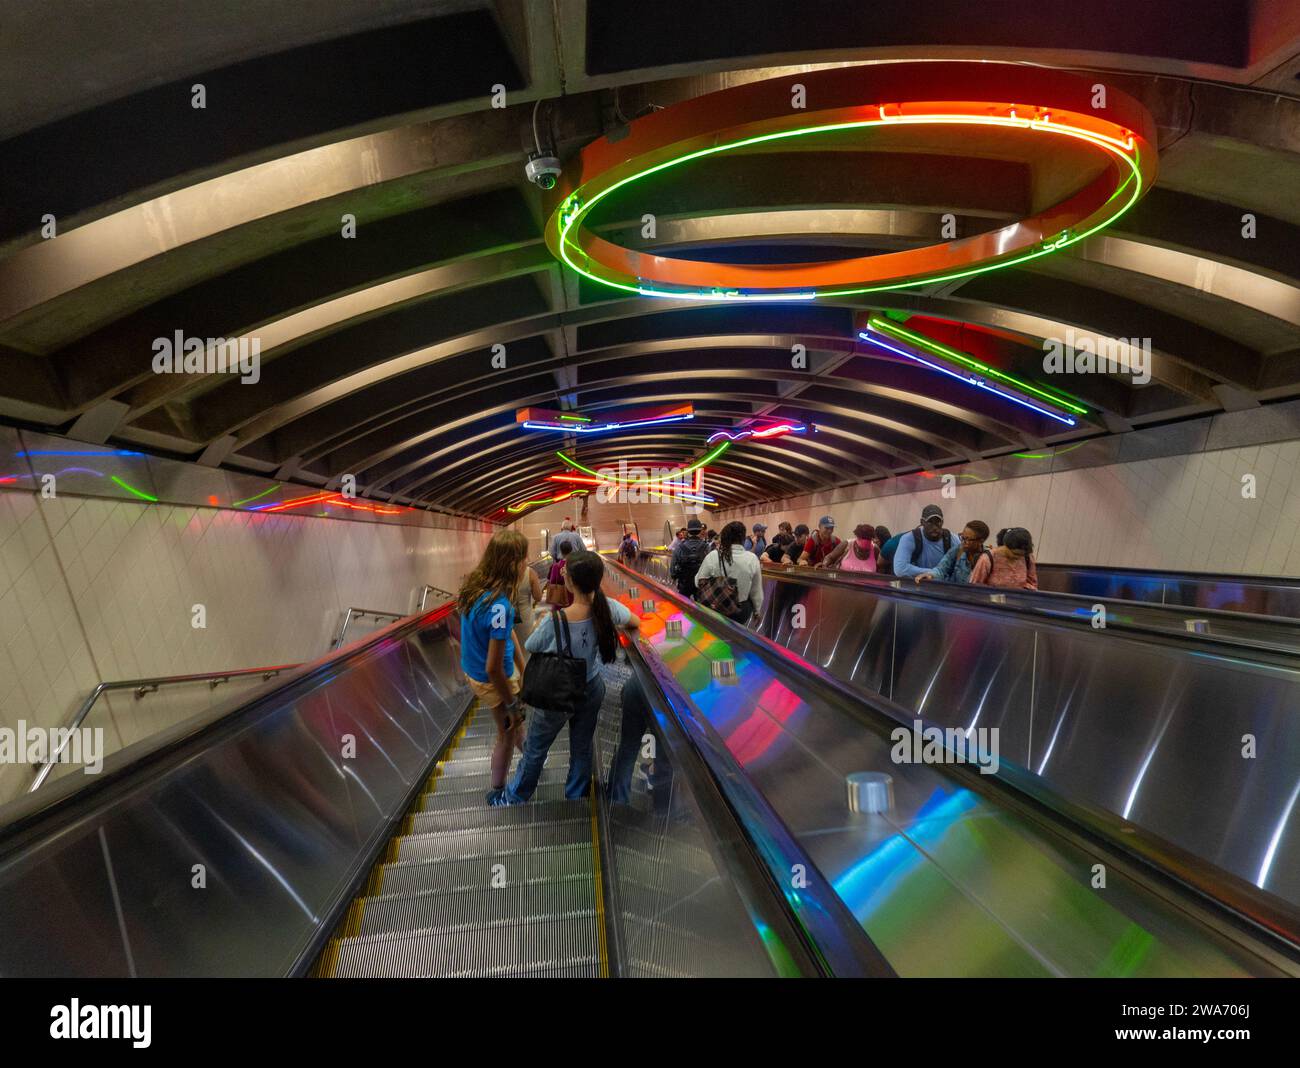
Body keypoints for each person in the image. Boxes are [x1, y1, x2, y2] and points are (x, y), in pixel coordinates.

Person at [494, 551, 640, 805]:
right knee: (581, 749)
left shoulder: (555, 620)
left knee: (536, 750)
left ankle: (515, 797)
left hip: (556, 693)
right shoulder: (608, 609)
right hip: (591, 687)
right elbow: (634, 621)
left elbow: (532, 644)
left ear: (570, 581)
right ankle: (576, 798)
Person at [458, 529, 530, 803]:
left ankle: (532, 760)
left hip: (473, 669)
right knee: (507, 734)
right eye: (524, 558)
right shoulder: (499, 606)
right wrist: (511, 702)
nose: (527, 563)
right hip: (491, 680)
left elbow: (506, 634)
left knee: (516, 726)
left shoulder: (476, 587)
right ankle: (497, 790)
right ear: (512, 563)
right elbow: (493, 667)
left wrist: (523, 666)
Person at [694, 520, 765, 624]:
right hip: (740, 611)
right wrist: (757, 612)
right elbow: (756, 590)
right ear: (743, 539)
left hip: (715, 607)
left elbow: (697, 582)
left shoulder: (714, 556)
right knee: (736, 636)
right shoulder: (752, 559)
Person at [917, 520, 990, 585]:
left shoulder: (989, 559)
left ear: (981, 541)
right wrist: (931, 575)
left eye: (967, 539)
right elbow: (941, 569)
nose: (963, 542)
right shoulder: (958, 550)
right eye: (962, 537)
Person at [892, 505, 955, 580]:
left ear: (942, 522)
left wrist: (935, 574)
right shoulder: (909, 538)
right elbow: (900, 569)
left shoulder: (951, 539)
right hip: (918, 586)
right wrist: (934, 573)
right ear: (922, 522)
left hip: (944, 587)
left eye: (938, 522)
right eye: (930, 522)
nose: (934, 527)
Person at [971, 527, 1039, 589]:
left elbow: (1033, 584)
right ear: (1006, 546)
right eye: (1015, 553)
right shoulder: (987, 559)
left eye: (1021, 555)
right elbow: (975, 585)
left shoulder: (1028, 558)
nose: (1018, 557)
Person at [670, 518, 712, 595]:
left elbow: (673, 568)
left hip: (684, 584)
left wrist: (674, 577)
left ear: (688, 531)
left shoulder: (679, 547)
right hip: (701, 585)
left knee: (684, 605)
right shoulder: (707, 547)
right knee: (700, 606)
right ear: (700, 531)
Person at [512, 557, 545, 654]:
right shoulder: (529, 572)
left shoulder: (500, 572)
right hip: (524, 618)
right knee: (525, 651)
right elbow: (538, 597)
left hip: (504, 618)